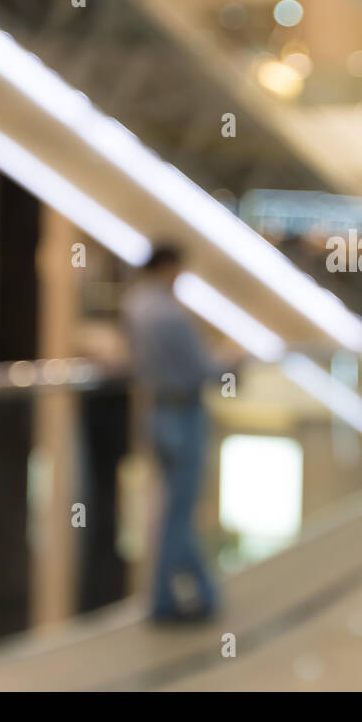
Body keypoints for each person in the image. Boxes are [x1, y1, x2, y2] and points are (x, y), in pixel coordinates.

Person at [120, 244, 236, 623]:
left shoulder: (134, 307)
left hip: (156, 412)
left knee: (171, 510)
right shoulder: (169, 315)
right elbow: (203, 370)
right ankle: (177, 597)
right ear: (168, 267)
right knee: (179, 514)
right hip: (183, 412)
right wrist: (232, 363)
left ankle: (180, 594)